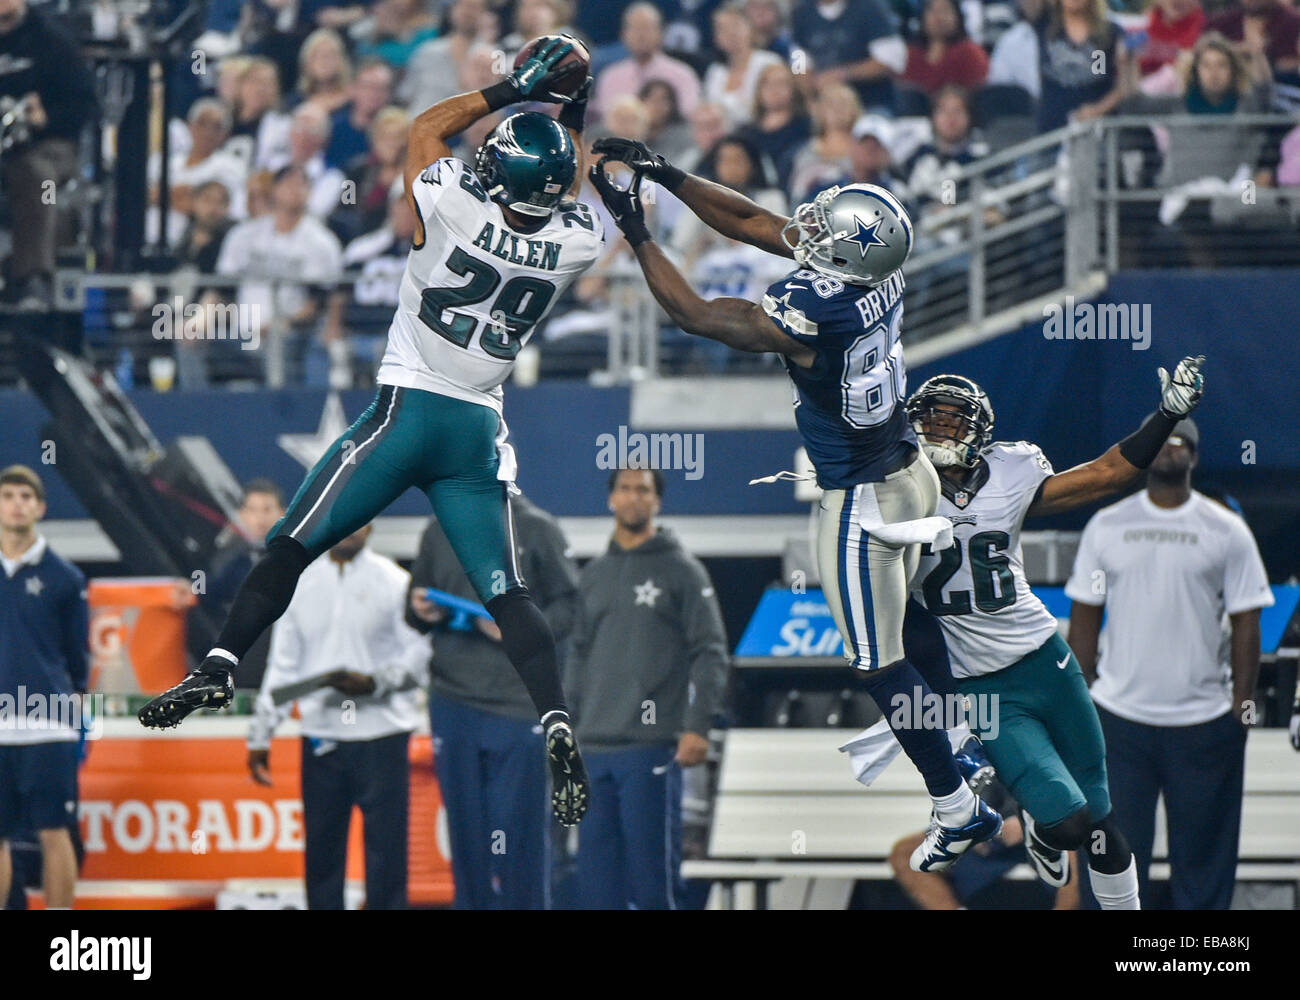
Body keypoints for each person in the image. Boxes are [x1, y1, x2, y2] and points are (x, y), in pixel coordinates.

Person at [140, 38, 601, 829]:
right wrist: (571, 111)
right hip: (476, 432)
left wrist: (513, 90)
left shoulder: (452, 203)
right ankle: (556, 716)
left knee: (288, 545)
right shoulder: (576, 242)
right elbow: (571, 177)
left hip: (407, 412)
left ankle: (220, 664)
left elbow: (427, 126)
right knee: (506, 591)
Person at [587, 133, 1001, 873]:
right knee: (908, 617)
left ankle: (954, 803)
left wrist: (636, 227)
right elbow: (753, 223)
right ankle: (963, 739)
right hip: (913, 473)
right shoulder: (881, 269)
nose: (806, 227)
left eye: (821, 229)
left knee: (877, 663)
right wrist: (664, 172)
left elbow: (694, 313)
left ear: (841, 256)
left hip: (863, 503)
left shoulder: (813, 308)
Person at [1066, 416, 1274, 909]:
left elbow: (1247, 621)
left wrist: (1240, 706)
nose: (1171, 448)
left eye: (1182, 443)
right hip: (1119, 723)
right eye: (1163, 440)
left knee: (1204, 866)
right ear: (1145, 452)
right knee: (1112, 859)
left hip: (1204, 725)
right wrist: (1082, 702)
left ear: (1195, 458)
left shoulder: (1226, 530)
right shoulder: (1106, 526)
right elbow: (1085, 618)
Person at [406, 492, 579, 909]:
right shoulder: (437, 530)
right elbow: (414, 606)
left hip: (518, 704)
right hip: (452, 701)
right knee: (466, 836)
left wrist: (520, 628)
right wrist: (418, 607)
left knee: (520, 834)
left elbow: (571, 606)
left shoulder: (537, 527)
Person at [569, 469, 729, 909]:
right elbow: (576, 655)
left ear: (658, 501)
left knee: (651, 882)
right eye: (624, 488)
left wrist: (699, 726)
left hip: (652, 748)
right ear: (610, 500)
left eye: (644, 489)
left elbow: (711, 651)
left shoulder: (682, 570)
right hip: (592, 749)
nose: (633, 497)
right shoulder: (594, 574)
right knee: (594, 884)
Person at [248, 524, 429, 910]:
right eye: (343, 519)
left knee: (387, 855)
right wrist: (261, 734)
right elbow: (283, 669)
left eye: (360, 519)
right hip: (321, 737)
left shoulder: (395, 582)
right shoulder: (299, 586)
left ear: (373, 524)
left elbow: (418, 655)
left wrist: (376, 683)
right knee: (323, 853)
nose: (350, 528)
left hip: (383, 736)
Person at [0, 465, 88, 910]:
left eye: (26, 496)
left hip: (48, 727)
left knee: (55, 832)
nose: (17, 503)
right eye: (9, 494)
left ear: (41, 507)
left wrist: (79, 722)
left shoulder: (65, 578)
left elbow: (78, 661)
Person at [0, 0, 97, 310]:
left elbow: (85, 105)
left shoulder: (51, 39)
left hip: (47, 144)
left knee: (39, 179)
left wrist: (46, 118)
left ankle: (33, 278)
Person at [201, 479, 286, 689]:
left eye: (267, 510)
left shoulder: (295, 558)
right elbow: (209, 594)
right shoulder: (234, 559)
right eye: (253, 510)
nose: (260, 519)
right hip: (244, 662)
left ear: (282, 513)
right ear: (242, 515)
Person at [790, 0, 907, 113]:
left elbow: (890, 60)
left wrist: (844, 74)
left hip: (871, 103)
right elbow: (798, 59)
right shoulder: (802, 12)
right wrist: (808, 94)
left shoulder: (870, 7)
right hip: (824, 106)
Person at [592, 3, 702, 119]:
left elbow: (688, 120)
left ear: (661, 33)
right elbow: (605, 122)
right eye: (634, 28)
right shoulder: (610, 77)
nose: (641, 35)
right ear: (623, 35)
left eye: (646, 27)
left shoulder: (683, 75)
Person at [703, 2, 784, 128]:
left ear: (750, 29)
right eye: (722, 28)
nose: (730, 33)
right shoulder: (715, 73)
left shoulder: (769, 63)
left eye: (735, 25)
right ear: (716, 38)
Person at [902, 0, 991, 96]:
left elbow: (977, 93)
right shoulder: (911, 55)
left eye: (945, 10)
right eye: (932, 11)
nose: (939, 17)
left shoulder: (971, 54)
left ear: (957, 16)